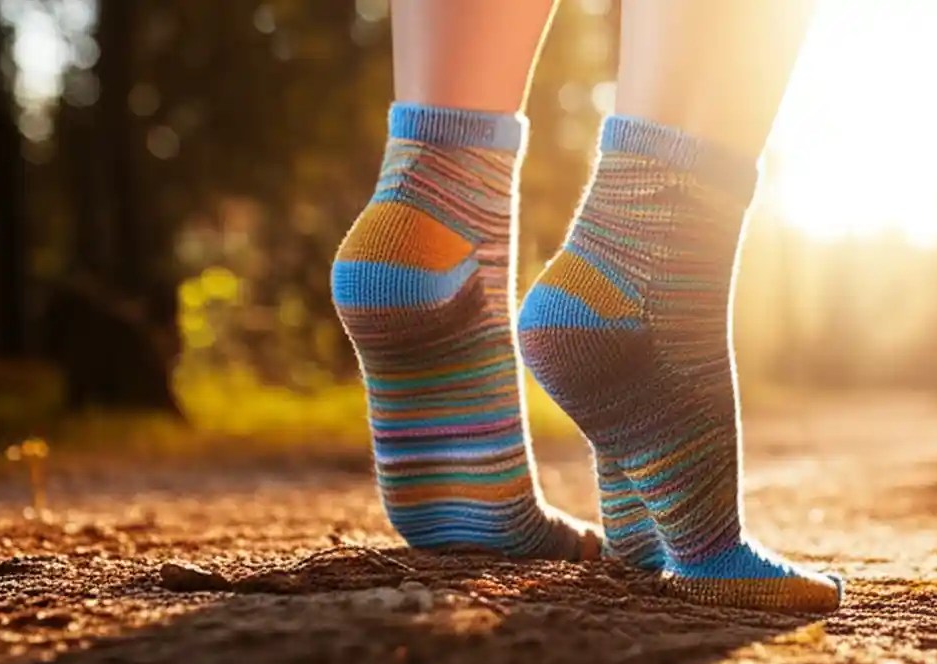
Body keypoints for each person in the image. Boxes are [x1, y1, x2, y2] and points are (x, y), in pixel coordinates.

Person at [330, 0, 841, 614]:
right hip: (634, 288)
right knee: (646, 242)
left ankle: (435, 196)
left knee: (444, 166)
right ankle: (643, 247)